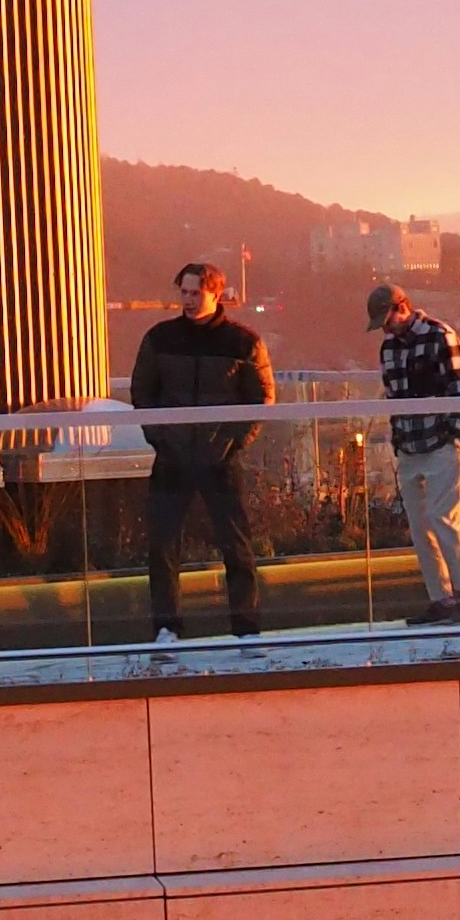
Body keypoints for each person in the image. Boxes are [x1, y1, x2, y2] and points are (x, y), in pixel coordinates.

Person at [126, 260, 274, 641]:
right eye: (184, 292)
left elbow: (261, 399)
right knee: (161, 546)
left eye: (196, 293)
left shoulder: (243, 342)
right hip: (172, 455)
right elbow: (142, 391)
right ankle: (167, 628)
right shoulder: (160, 338)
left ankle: (246, 628)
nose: (188, 301)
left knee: (236, 545)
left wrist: (233, 442)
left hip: (218, 457)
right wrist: (160, 436)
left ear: (215, 294)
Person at [366, 279, 460, 624]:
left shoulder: (440, 336)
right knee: (421, 524)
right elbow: (395, 398)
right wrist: (399, 439)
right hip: (410, 445)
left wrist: (455, 435)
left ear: (400, 308)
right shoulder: (389, 348)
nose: (385, 330)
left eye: (386, 321)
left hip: (439, 442)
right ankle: (443, 599)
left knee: (441, 516)